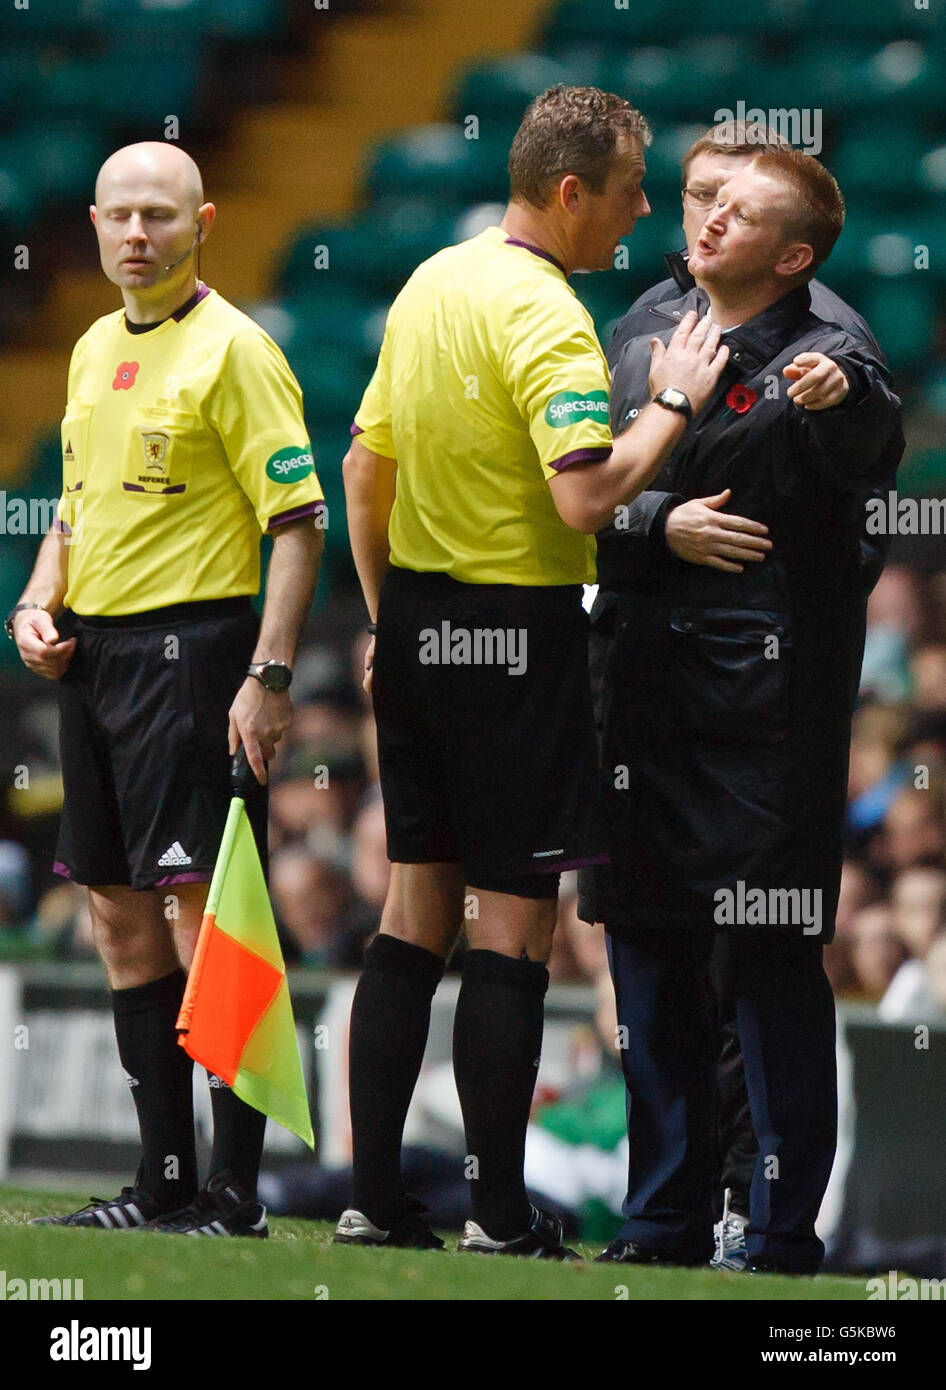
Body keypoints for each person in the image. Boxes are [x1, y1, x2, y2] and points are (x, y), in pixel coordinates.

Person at [337, 84, 729, 1258]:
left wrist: (387, 624)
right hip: (517, 636)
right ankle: (498, 1217)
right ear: (571, 191)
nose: (643, 210)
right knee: (512, 932)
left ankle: (372, 1201)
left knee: (412, 914)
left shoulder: (431, 280)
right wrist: (671, 400)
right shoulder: (549, 315)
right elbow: (585, 492)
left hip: (414, 623)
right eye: (629, 189)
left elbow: (363, 468)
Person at [584, 146, 903, 1272]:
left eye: (744, 212)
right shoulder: (641, 326)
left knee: (767, 972)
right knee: (648, 964)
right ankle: (660, 1218)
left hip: (767, 723)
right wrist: (651, 522)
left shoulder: (833, 350)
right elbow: (584, 496)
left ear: (795, 255)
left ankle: (776, 1234)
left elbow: (872, 462)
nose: (710, 218)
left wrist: (844, 404)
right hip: (639, 704)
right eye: (707, 200)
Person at [9, 142, 324, 1236]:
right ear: (92, 221)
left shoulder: (237, 350)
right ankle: (163, 1181)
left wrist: (267, 674)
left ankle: (235, 1193)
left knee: (204, 912)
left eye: (160, 215)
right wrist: (38, 604)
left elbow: (297, 525)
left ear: (205, 222)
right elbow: (74, 506)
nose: (137, 233)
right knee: (115, 916)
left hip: (197, 655)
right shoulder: (94, 345)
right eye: (121, 216)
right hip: (95, 659)